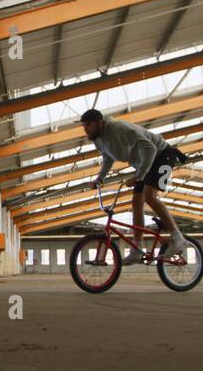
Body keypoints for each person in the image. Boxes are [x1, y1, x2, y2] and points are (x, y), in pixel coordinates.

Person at [79, 109, 188, 262]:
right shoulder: (98, 139)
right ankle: (137, 249)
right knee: (136, 203)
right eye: (83, 126)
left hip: (163, 155)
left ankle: (177, 237)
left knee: (149, 196)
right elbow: (108, 158)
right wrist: (99, 178)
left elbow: (150, 148)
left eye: (88, 125)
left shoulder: (120, 129)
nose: (85, 129)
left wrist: (139, 176)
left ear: (99, 122)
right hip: (145, 164)